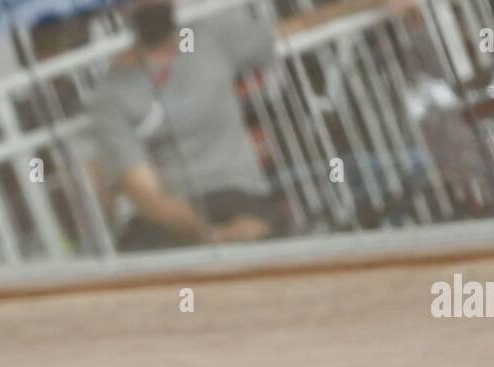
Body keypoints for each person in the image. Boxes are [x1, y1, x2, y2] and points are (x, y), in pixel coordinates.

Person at [91, 0, 420, 250]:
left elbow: (298, 29)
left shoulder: (209, 41)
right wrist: (213, 236)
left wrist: (373, 3)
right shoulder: (112, 96)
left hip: (240, 197)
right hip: (177, 221)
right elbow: (149, 197)